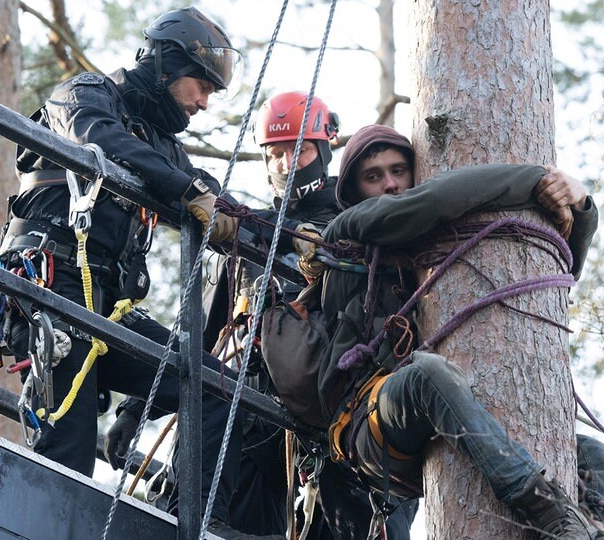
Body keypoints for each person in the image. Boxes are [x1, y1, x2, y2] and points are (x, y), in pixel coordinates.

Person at [0, 6, 263, 537]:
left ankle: (197, 524)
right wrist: (186, 192)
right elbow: (99, 138)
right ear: (167, 66)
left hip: (109, 306)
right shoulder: (84, 94)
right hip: (51, 284)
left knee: (213, 387)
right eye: (201, 87)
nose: (203, 103)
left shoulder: (166, 147)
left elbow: (222, 205)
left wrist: (304, 236)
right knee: (70, 456)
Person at [276, 124, 604, 539]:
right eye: (374, 176)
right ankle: (546, 509)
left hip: (436, 425)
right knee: (425, 375)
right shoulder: (349, 226)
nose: (391, 185)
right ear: (355, 191)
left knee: (592, 455)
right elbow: (430, 201)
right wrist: (536, 179)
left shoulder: (420, 252)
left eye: (399, 170)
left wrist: (579, 205)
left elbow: (558, 266)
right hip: (367, 421)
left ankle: (597, 533)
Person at [109, 92, 417, 538]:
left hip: (332, 411)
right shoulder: (247, 236)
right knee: (225, 522)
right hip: (254, 413)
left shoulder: (353, 223)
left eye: (300, 150)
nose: (287, 163)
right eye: (276, 153)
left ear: (325, 148)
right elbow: (200, 330)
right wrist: (137, 407)